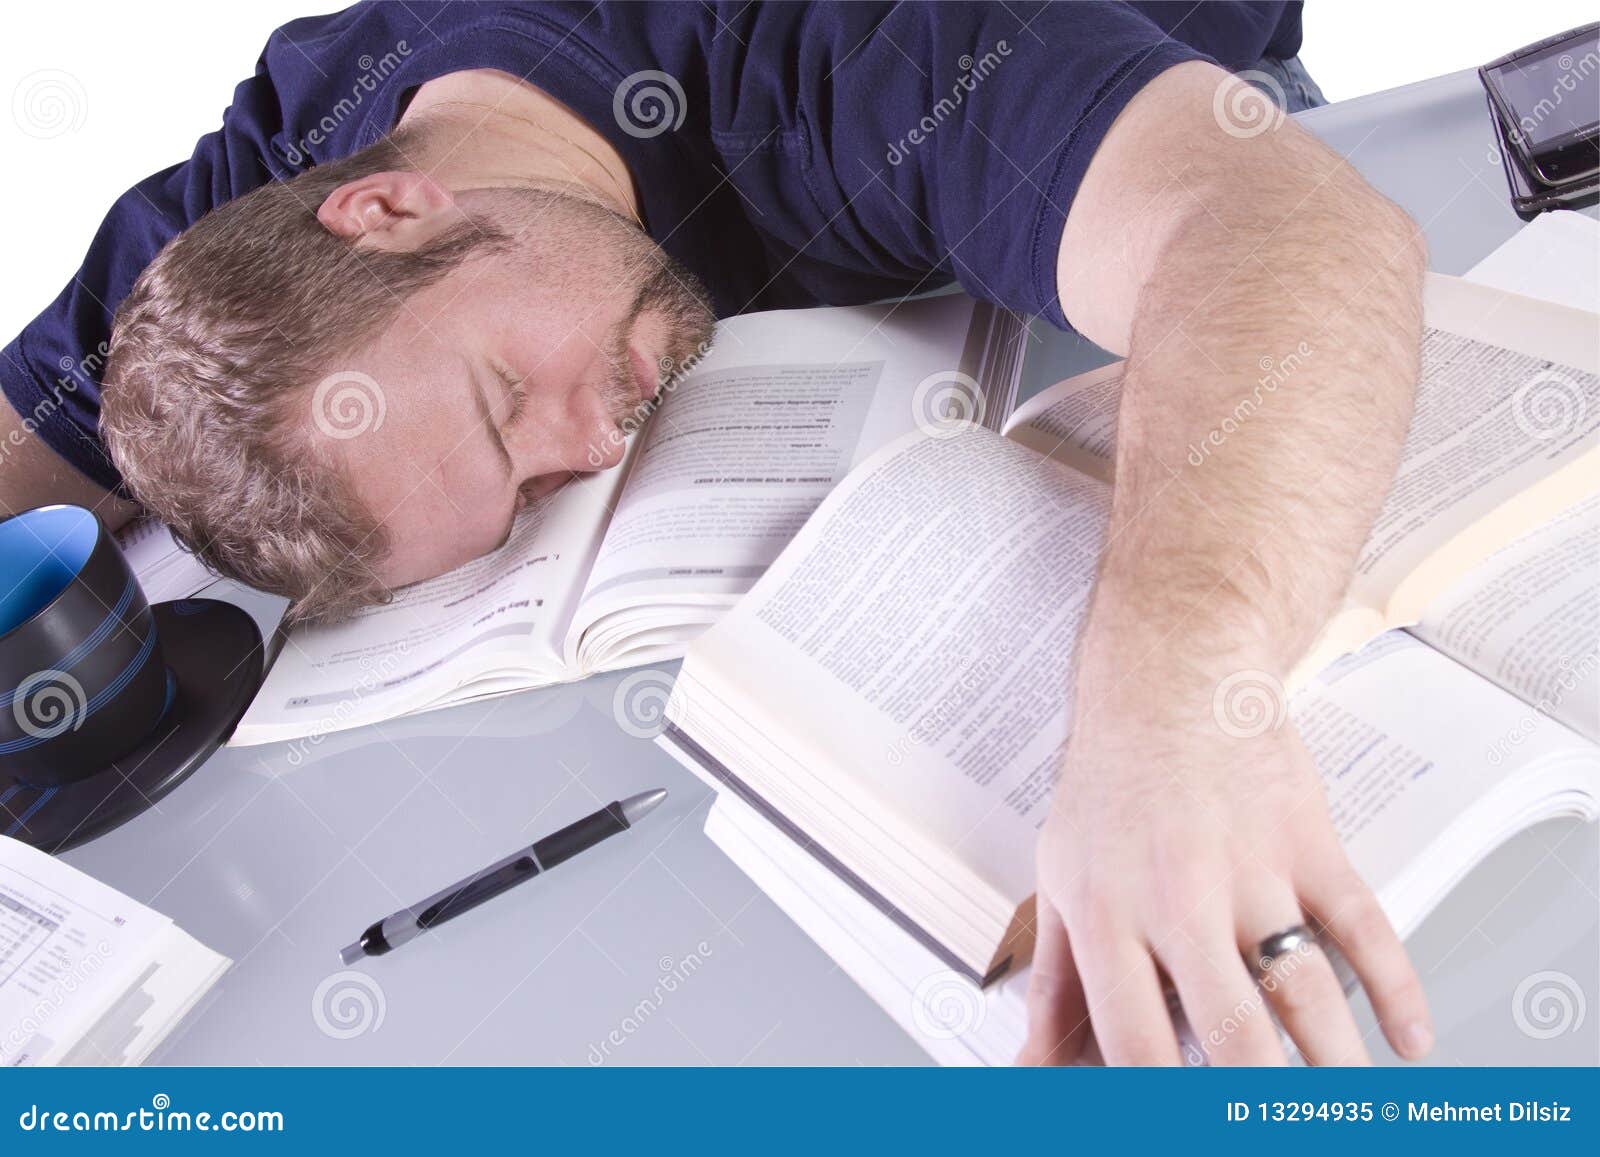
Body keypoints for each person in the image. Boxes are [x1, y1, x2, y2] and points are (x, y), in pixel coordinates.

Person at [0, 1, 1431, 1066]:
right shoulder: (264, 215)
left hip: (1186, 134)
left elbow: (1279, 235)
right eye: (523, 504)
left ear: (389, 209)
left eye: (508, 400)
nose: (595, 445)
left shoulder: (834, 56)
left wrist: (1176, 714)